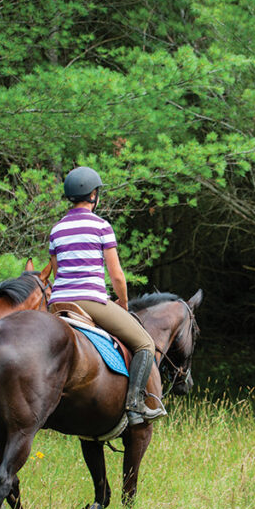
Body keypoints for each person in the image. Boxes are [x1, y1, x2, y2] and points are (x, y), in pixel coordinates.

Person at [46, 166, 166, 425]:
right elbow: (117, 275)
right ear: (93, 195)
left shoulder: (56, 230)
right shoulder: (101, 226)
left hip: (58, 303)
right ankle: (135, 405)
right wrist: (121, 302)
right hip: (91, 301)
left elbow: (57, 273)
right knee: (145, 343)